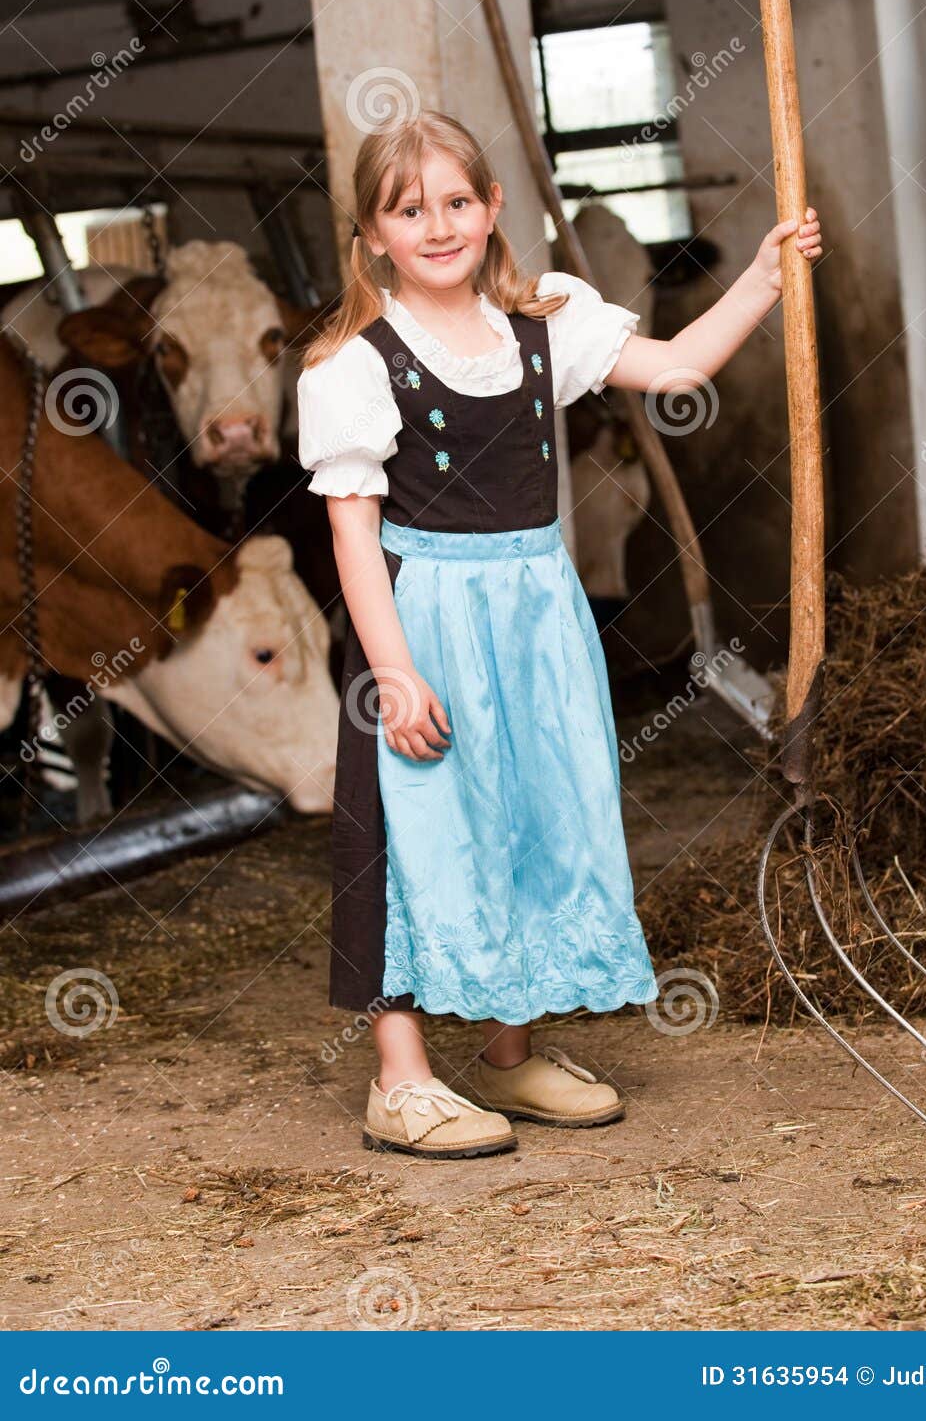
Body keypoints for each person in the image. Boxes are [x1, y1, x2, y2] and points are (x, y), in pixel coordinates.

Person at [297, 109, 822, 1160]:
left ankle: (511, 1053)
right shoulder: (356, 363)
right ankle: (400, 1077)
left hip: (537, 617)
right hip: (428, 618)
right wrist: (393, 669)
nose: (438, 225)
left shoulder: (544, 326)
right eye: (409, 210)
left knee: (532, 817)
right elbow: (354, 533)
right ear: (371, 236)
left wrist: (765, 275)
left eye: (457, 201)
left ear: (494, 209)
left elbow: (674, 366)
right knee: (413, 831)